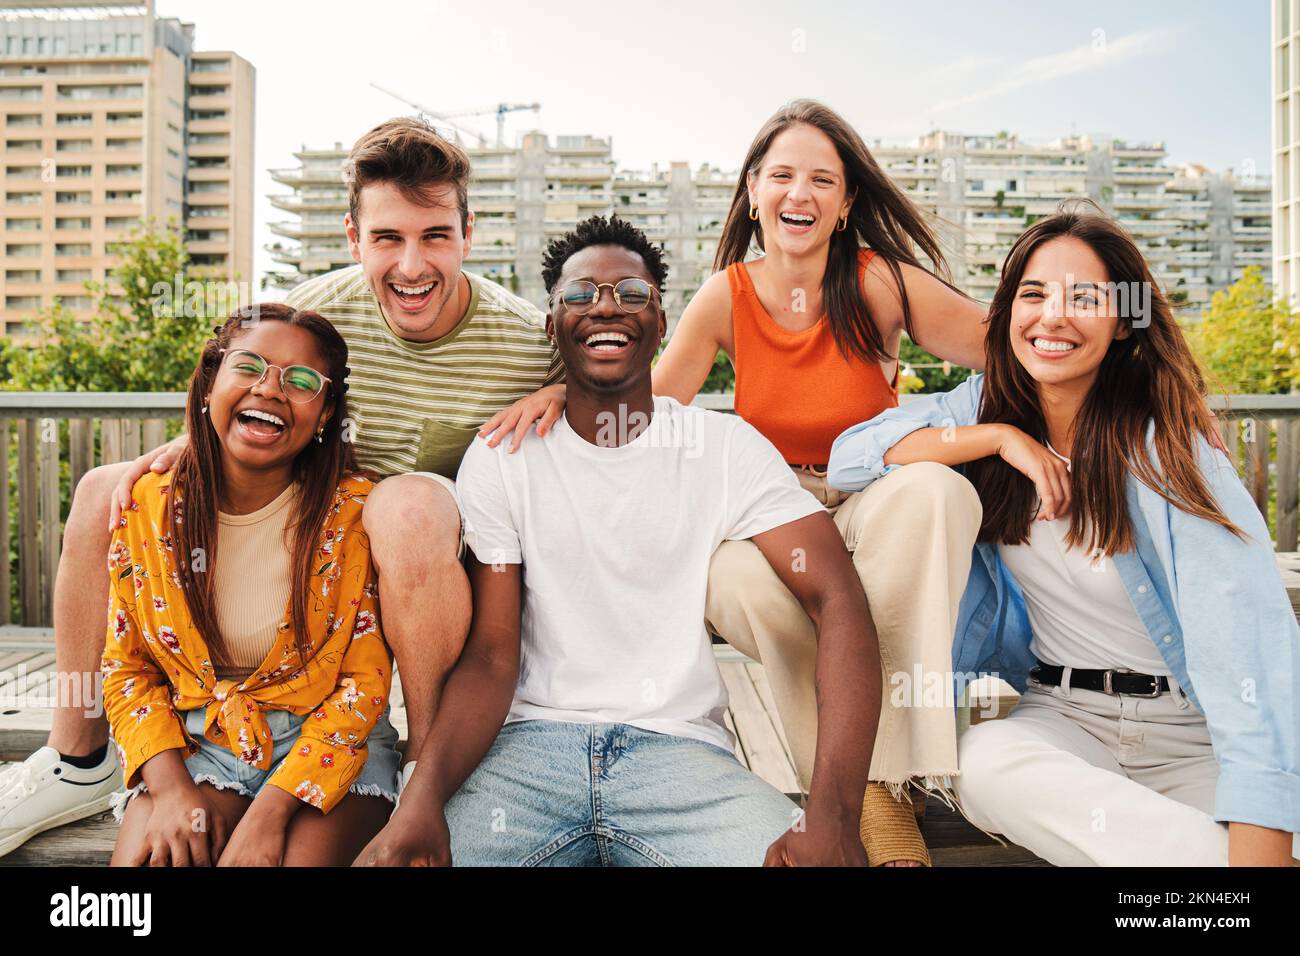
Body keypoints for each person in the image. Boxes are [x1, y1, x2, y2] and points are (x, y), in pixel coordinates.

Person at [0, 116, 560, 857]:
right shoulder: (318, 313)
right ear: (355, 238)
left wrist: (572, 399)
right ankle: (78, 755)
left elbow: (631, 405)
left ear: (468, 233)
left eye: (435, 236)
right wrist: (187, 446)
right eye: (388, 238)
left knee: (411, 506)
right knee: (109, 489)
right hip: (328, 551)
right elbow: (247, 386)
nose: (412, 264)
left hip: (441, 564)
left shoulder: (529, 339)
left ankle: (430, 767)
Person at [480, 100, 987, 865]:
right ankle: (865, 790)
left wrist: (1022, 427)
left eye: (823, 179)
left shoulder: (880, 281)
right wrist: (567, 389)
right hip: (776, 510)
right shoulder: (728, 294)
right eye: (782, 175)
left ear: (847, 203)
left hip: (874, 496)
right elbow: (650, 398)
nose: (800, 194)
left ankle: (893, 780)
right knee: (731, 582)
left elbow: (1010, 349)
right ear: (753, 191)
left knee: (939, 494)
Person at [354, 215, 880, 867]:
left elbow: (838, 599)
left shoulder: (723, 448)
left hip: (682, 763)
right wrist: (422, 799)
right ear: (554, 327)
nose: (606, 306)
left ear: (662, 323)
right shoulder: (504, 458)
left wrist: (833, 816)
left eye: (632, 294)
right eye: (579, 296)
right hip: (524, 761)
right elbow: (492, 657)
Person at [827, 205, 1300, 866]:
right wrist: (999, 438)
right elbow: (851, 456)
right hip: (1067, 720)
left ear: (1124, 322)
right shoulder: (984, 406)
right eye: (1033, 294)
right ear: (1007, 312)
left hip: (1194, 733)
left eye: (1085, 298)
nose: (1053, 316)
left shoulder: (1168, 446)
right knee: (984, 761)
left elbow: (1249, 644)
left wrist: (1264, 832)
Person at [105, 304, 399, 866]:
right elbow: (128, 670)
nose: (270, 390)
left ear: (325, 413)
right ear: (211, 382)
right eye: (249, 367)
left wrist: (268, 814)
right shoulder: (149, 506)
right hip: (201, 742)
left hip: (329, 740)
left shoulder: (354, 514)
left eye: (301, 381)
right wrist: (170, 791)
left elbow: (364, 684)